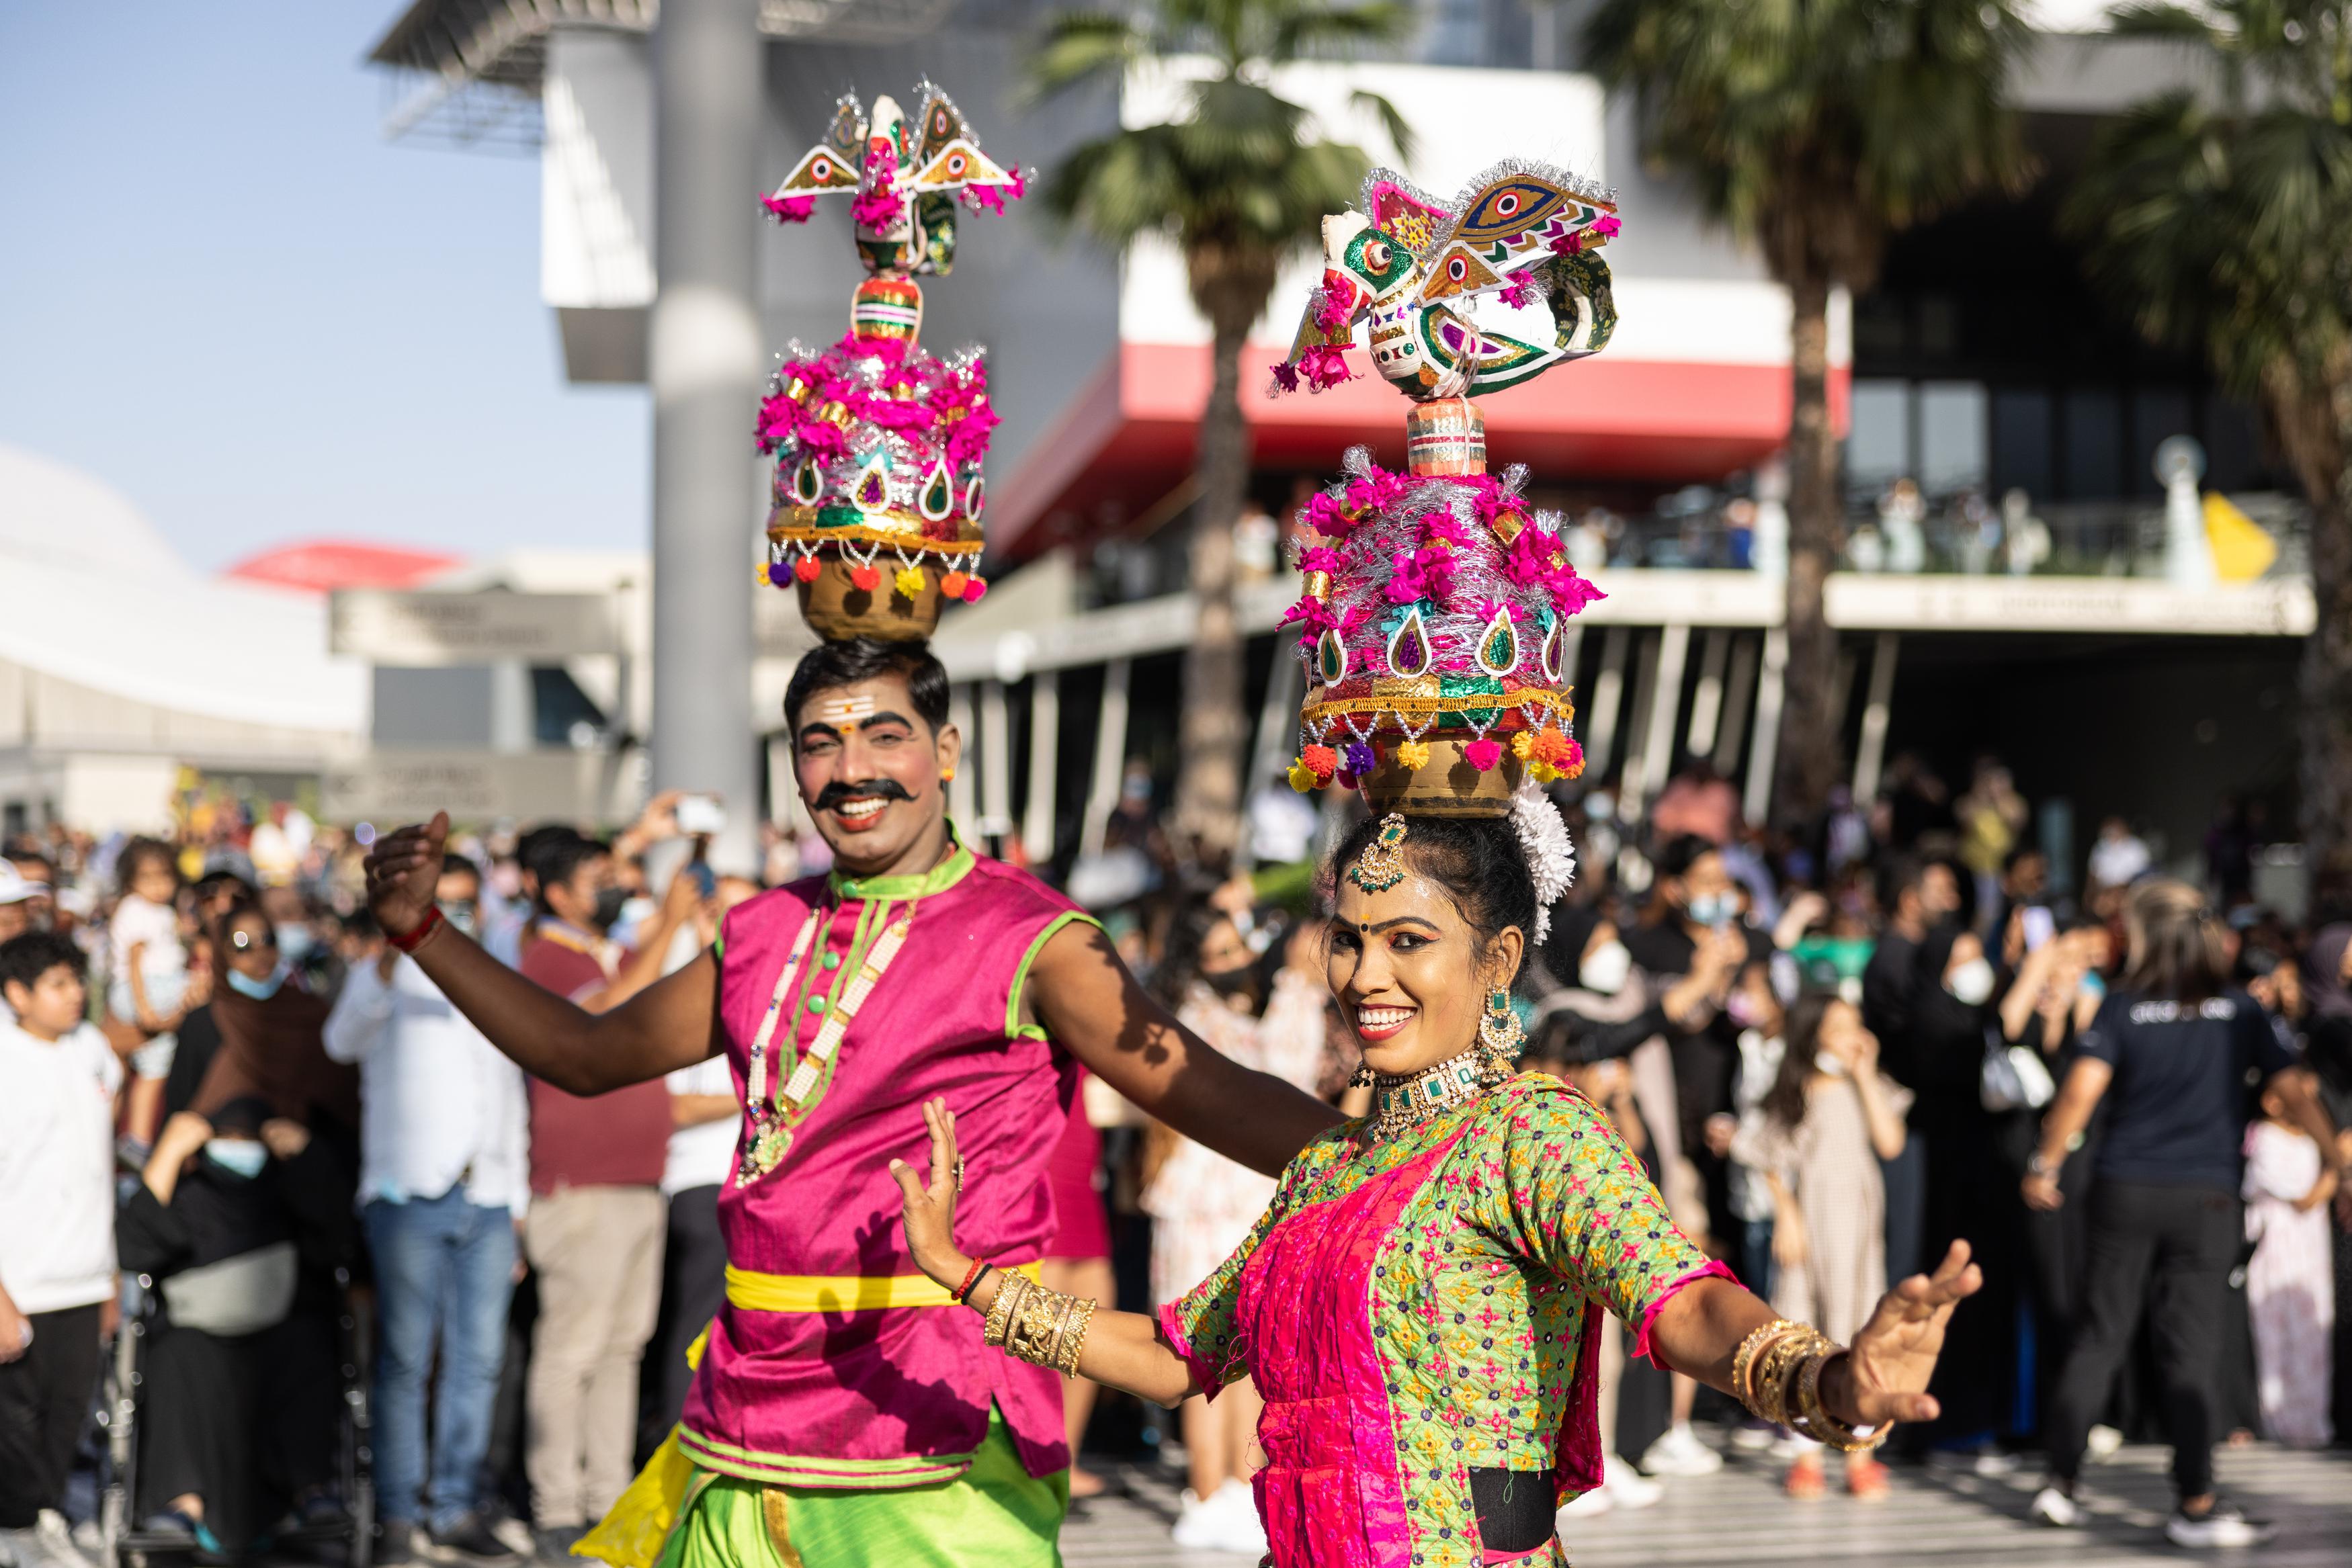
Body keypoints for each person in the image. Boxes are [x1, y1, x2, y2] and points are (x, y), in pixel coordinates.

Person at [358, 638, 1343, 1568]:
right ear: (794, 768)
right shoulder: (761, 928)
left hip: (937, 1424)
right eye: (820, 742)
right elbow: (584, 1054)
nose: (851, 769)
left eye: (884, 734)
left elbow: (1222, 1099)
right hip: (744, 1416)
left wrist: (1410, 1161)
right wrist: (421, 930)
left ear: (945, 751)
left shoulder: (1034, 938)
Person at [893, 808, 1984, 1566]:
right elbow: (1178, 1353)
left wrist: (1824, 1378)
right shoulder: (1324, 1166)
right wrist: (967, 1276)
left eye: (1408, 941)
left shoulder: (1532, 1129)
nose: (1367, 976)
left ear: (1498, 959)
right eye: (1349, 941)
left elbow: (1679, 1297)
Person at [2025, 880, 2344, 1547]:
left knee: (2100, 1333)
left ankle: (2060, 1482)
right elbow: (2291, 1086)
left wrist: (2045, 1162)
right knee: (2191, 1345)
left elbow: (2080, 1090)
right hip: (2206, 1195)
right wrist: (2335, 1156)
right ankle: (2194, 1501)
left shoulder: (2121, 1006)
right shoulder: (2239, 1009)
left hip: (2124, 1187)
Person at [325, 855, 531, 1567]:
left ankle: (454, 1507)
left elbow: (509, 1093)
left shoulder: (496, 969)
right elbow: (340, 1042)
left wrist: (518, 1199)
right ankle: (399, 1515)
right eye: (446, 902)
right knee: (406, 1361)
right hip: (409, 1194)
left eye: (470, 903)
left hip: (489, 1195)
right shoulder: (385, 972)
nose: (459, 916)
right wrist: (391, 952)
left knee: (480, 1361)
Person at [515, 833, 697, 1562]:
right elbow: (607, 1019)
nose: (614, 887)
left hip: (637, 1182)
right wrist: (670, 923)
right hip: (581, 1188)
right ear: (558, 893)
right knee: (573, 1350)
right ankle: (557, 1507)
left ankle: (607, 1500)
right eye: (599, 877)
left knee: (622, 1350)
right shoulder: (546, 959)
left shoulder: (612, 953)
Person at [1141, 898, 1325, 1555]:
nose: (1235, 962)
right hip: (1201, 1201)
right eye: (1219, 954)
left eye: (1237, 948)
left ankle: (1241, 1489)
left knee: (1247, 1350)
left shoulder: (1230, 1011)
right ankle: (1204, 1490)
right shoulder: (1195, 1018)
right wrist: (1295, 989)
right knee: (1198, 1347)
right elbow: (1276, 1070)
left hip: (1240, 1197)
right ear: (1193, 965)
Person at [117, 1096, 352, 1556]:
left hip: (277, 1338)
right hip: (197, 1344)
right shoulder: (190, 1195)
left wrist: (309, 1158)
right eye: (229, 1139)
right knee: (170, 1353)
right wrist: (168, 1154)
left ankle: (309, 1492)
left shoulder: (287, 1193)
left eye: (249, 1140)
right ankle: (182, 1503)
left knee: (309, 1343)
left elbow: (339, 1238)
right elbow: (135, 1247)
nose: (239, 1150)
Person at [1734, 994, 1910, 1499]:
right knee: (1805, 1329)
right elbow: (1764, 1154)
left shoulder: (1866, 1085)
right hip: (1813, 1224)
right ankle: (1804, 1455)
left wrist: (1865, 1075)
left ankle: (1860, 1453)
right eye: (1839, 1027)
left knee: (1860, 1328)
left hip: (1857, 1227)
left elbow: (1891, 1142)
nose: (1851, 1035)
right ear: (1814, 1035)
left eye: (1855, 1024)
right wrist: (1787, 1215)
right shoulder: (1799, 1091)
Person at [0, 931, 121, 1568]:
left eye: (77, 980)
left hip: (85, 1274)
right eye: (57, 984)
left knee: (68, 1413)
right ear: (17, 994)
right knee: (14, 1421)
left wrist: (110, 1276)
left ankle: (44, 1520)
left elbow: (100, 1164)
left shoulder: (90, 1048)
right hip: (20, 1279)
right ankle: (18, 1528)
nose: (75, 995)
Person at [2241, 1076, 2335, 1448]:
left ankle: (2311, 1418)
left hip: (2310, 1248)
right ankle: (2277, 1418)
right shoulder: (2262, 1137)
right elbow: (2302, 1198)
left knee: (2312, 1328)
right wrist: (2338, 1168)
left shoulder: (2312, 1141)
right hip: (2277, 1247)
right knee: (2274, 1327)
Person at [112, 836, 201, 1146]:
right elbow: (134, 962)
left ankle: (137, 1140)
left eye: (164, 877)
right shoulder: (136, 909)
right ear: (131, 882)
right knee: (205, 989)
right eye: (147, 878)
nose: (158, 886)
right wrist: (144, 1007)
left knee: (154, 1070)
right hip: (146, 989)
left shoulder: (161, 911)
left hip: (154, 990)